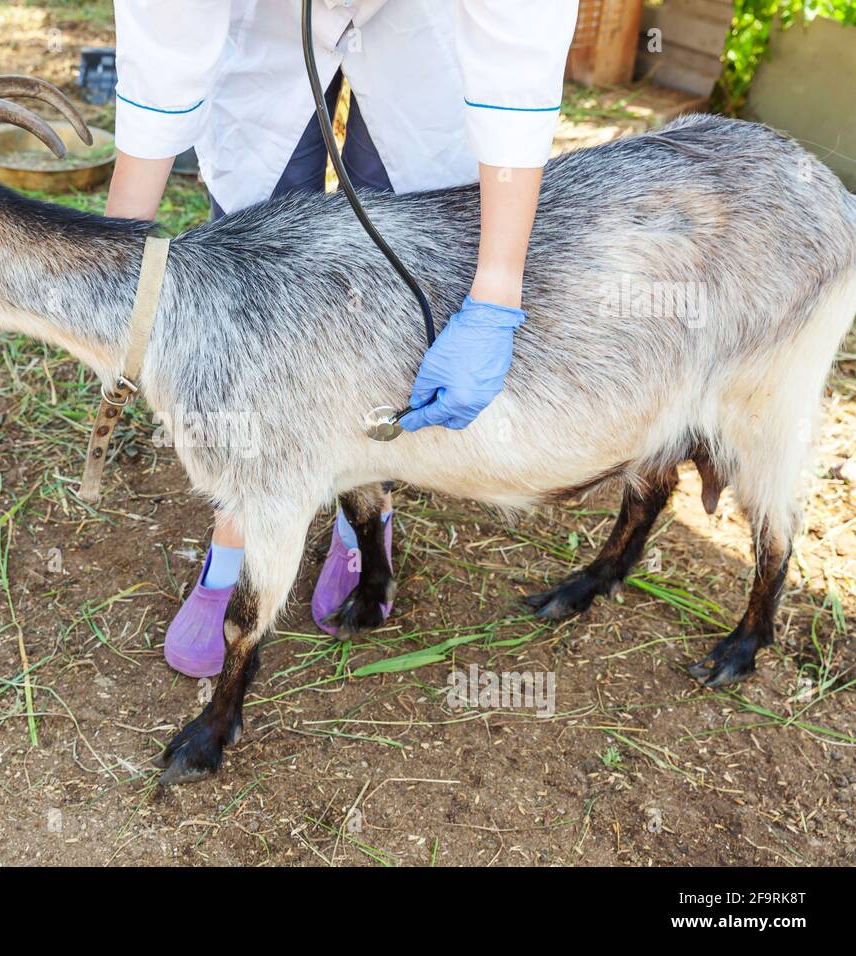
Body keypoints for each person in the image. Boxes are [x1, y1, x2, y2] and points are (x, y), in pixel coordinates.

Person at [108, 1, 579, 677]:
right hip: (264, 20)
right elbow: (163, 53)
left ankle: (364, 499)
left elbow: (518, 58)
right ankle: (235, 534)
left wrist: (496, 293)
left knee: (393, 262)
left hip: (428, 22)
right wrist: (119, 260)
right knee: (253, 261)